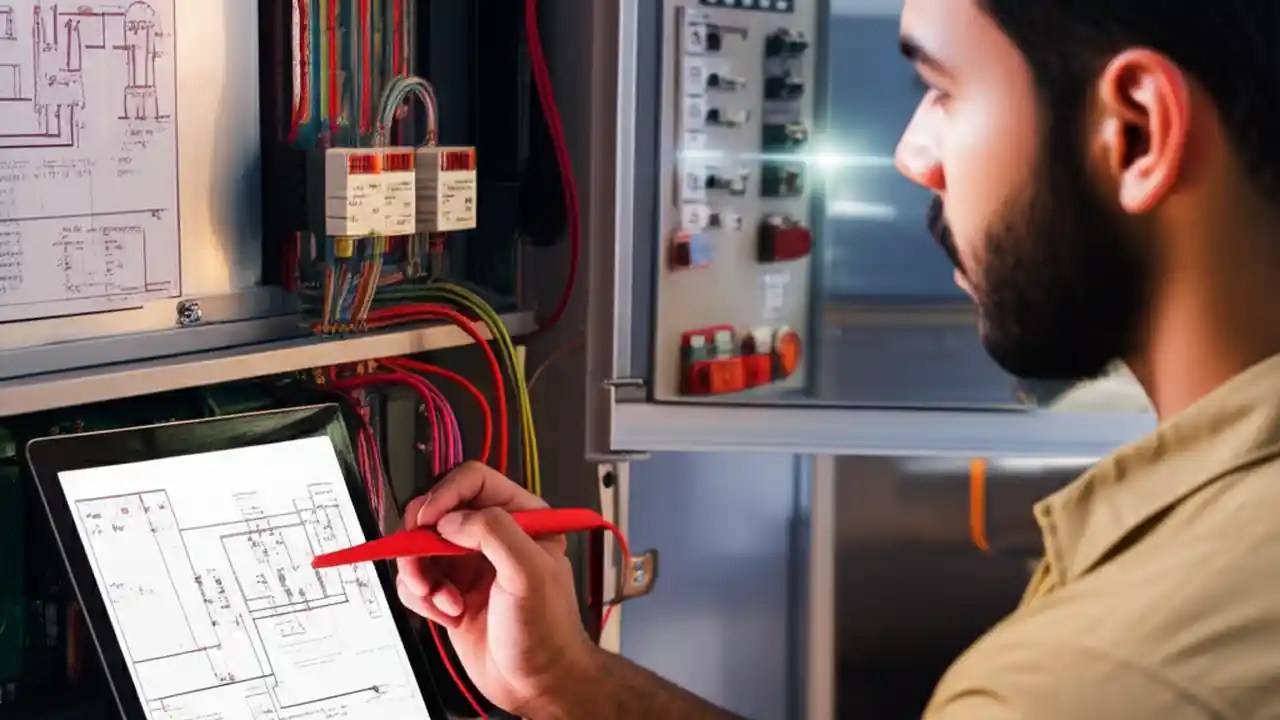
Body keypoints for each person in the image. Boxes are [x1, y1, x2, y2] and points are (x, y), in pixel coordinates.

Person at [397, 0, 1280, 717]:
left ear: (1134, 132)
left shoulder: (1086, 685)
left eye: (942, 88)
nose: (911, 156)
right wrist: (571, 683)